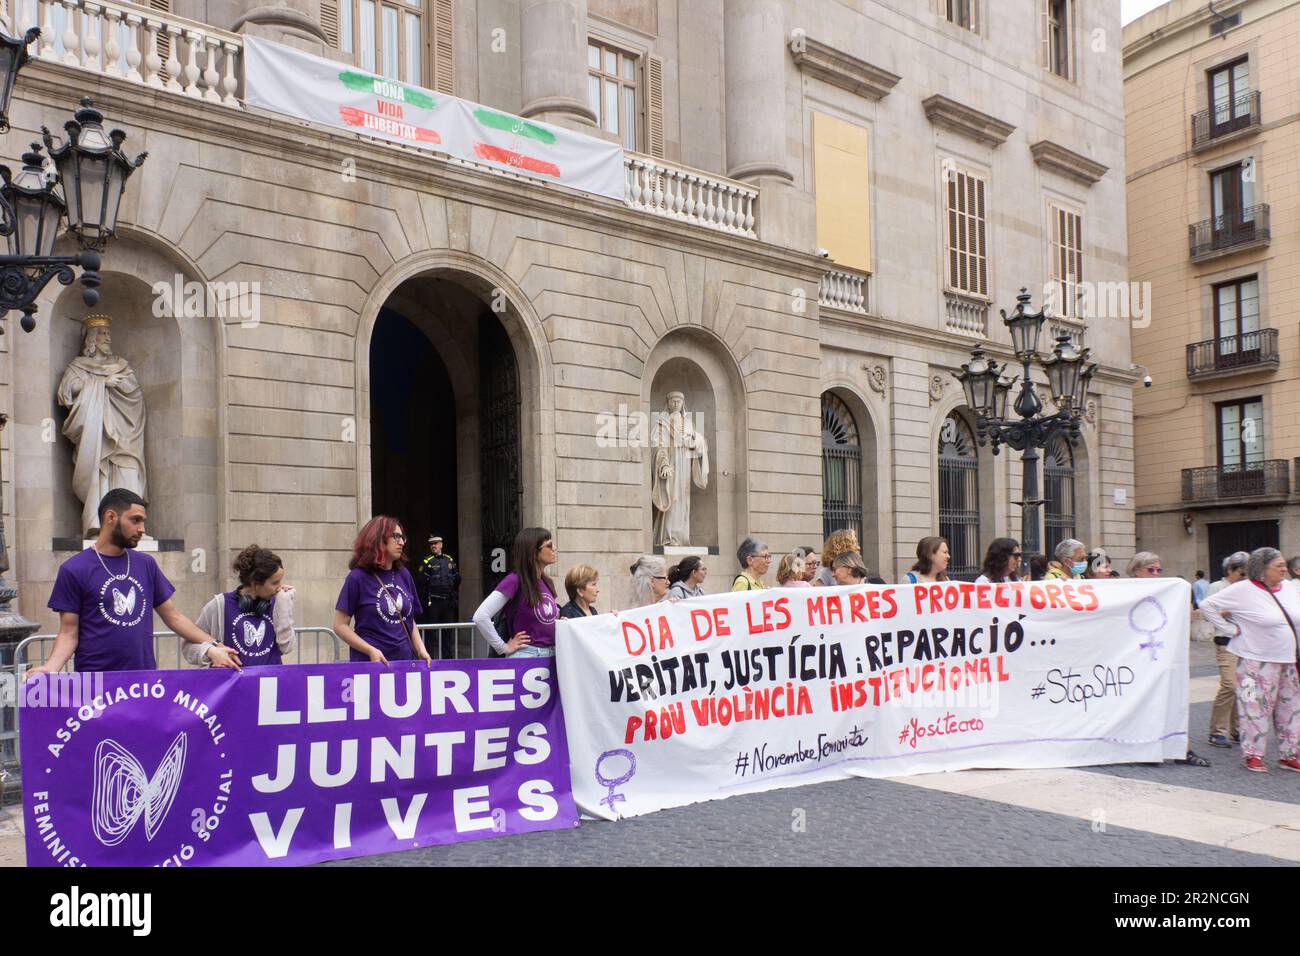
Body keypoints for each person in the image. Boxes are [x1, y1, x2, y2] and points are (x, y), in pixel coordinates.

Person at [30, 488, 241, 677]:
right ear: (110, 517)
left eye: (143, 521)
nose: (142, 529)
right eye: (135, 520)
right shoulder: (74, 569)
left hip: (143, 680)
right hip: (95, 683)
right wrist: (49, 668)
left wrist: (214, 646)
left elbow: (174, 617)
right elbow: (68, 632)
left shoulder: (146, 564)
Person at [1198, 547, 1300, 773]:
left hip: (1288, 660)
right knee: (1253, 708)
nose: (1285, 569)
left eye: (1284, 564)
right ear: (1262, 569)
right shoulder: (1242, 589)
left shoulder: (1290, 588)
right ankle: (1253, 755)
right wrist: (1229, 628)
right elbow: (1207, 606)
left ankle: (1289, 755)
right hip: (1254, 661)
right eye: (1279, 565)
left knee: (1291, 709)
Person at [333, 516, 430, 666]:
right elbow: (339, 625)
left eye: (403, 537)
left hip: (404, 664)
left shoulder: (404, 574)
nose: (402, 542)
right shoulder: (357, 577)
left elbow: (408, 620)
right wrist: (370, 650)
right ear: (378, 538)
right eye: (396, 537)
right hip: (370, 665)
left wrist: (420, 649)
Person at [186, 545, 295, 667]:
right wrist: (210, 651)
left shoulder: (278, 603)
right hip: (234, 684)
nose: (279, 587)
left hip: (269, 683)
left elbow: (286, 648)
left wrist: (285, 605)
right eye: (275, 583)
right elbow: (188, 647)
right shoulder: (219, 605)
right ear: (255, 583)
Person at [471, 527, 561, 658]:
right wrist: (503, 647)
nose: (555, 548)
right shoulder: (514, 580)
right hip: (527, 656)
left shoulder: (546, 582)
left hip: (552, 655)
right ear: (534, 552)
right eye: (549, 545)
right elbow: (480, 616)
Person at [1204, 551, 1248, 748]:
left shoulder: (1248, 588)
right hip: (1226, 641)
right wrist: (1230, 610)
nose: (1244, 577)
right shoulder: (1217, 587)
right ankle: (1217, 731)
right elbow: (1208, 613)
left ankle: (1238, 729)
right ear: (1230, 570)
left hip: (1248, 643)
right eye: (1241, 572)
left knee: (1245, 686)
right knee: (1230, 685)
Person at [416, 533, 461, 658]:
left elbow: (457, 579)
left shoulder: (449, 560)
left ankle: (448, 660)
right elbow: (420, 582)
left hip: (448, 602)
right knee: (431, 633)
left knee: (448, 632)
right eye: (431, 544)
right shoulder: (427, 562)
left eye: (436, 544)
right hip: (433, 602)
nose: (433, 546)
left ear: (441, 545)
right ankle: (430, 658)